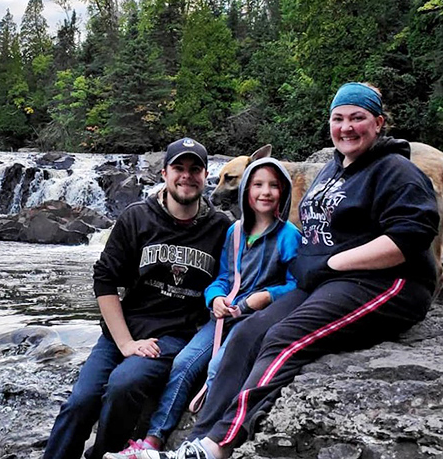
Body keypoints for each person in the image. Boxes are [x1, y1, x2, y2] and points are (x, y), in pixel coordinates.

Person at [139, 82, 440, 459]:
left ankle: (218, 446)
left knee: (284, 337)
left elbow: (410, 237)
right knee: (247, 332)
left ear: (378, 123)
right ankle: (195, 442)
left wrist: (331, 263)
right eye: (338, 118)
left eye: (357, 118)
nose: (346, 127)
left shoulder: (395, 169)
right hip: (326, 282)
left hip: (386, 282)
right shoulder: (335, 168)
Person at [42, 137, 231, 459]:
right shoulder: (137, 218)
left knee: (123, 385)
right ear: (164, 173)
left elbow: (236, 275)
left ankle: (103, 454)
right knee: (80, 401)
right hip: (123, 330)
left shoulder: (220, 227)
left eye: (195, 169)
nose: (187, 176)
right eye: (179, 168)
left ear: (205, 175)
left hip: (175, 337)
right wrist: (126, 343)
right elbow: (104, 279)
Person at [104, 157, 301, 459]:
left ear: (284, 192)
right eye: (258, 185)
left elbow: (296, 283)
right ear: (246, 191)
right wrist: (215, 299)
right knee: (184, 363)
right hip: (223, 317)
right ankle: (154, 439)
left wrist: (266, 296)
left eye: (274, 186)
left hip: (256, 319)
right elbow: (221, 277)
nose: (266, 192)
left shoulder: (289, 236)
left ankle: (200, 440)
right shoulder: (234, 232)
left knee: (217, 367)